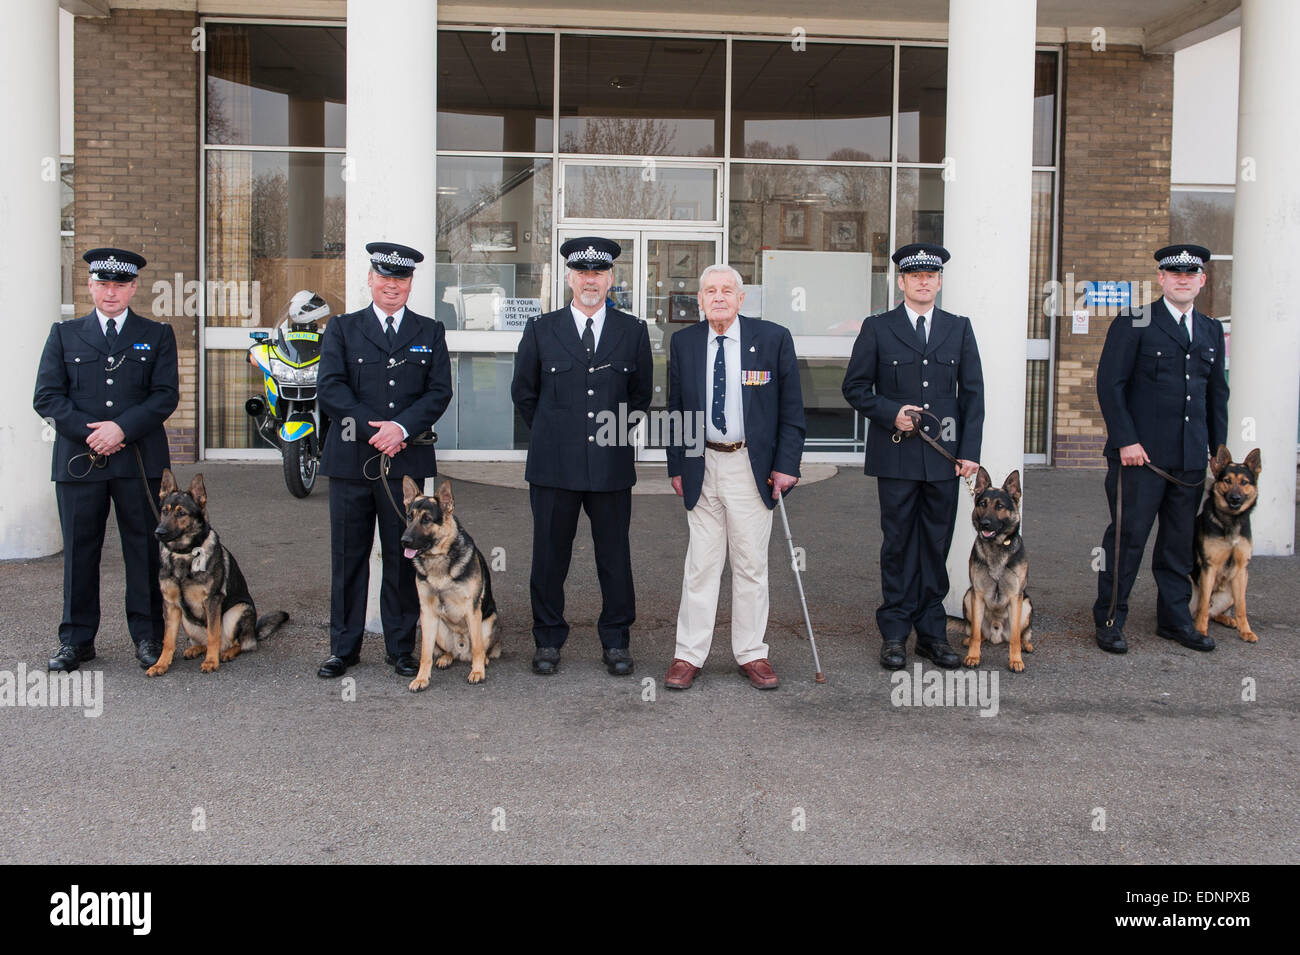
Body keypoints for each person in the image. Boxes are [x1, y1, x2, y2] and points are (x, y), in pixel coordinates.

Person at [510, 236, 653, 676]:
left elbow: (640, 396)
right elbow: (524, 392)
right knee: (550, 557)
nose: (590, 280)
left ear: (611, 278)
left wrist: (608, 435)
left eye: (599, 272)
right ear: (569, 277)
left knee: (614, 557)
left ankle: (616, 641)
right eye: (582, 272)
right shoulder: (541, 329)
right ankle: (548, 640)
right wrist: (559, 435)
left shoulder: (632, 331)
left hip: (610, 465)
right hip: (554, 467)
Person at [34, 248, 179, 672]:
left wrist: (121, 429)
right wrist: (92, 433)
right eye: (102, 284)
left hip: (138, 461)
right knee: (81, 552)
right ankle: (76, 641)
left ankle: (148, 636)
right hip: (81, 461)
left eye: (119, 284)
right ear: (91, 286)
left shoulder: (156, 334)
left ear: (133, 288)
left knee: (145, 550)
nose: (110, 292)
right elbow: (47, 397)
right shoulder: (65, 334)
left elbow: (165, 394)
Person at [841, 242, 984, 671]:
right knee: (900, 543)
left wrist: (970, 454)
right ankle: (895, 631)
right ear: (901, 282)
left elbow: (973, 396)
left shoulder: (958, 328)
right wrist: (891, 413)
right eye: (915, 276)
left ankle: (932, 633)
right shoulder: (878, 328)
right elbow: (856, 387)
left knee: (936, 544)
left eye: (931, 276)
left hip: (944, 458)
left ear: (939, 282)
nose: (924, 282)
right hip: (897, 455)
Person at [663, 265, 805, 691]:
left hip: (751, 468)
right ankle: (688, 655)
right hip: (702, 464)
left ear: (742, 299)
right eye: (710, 291)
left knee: (750, 565)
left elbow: (792, 412)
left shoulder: (773, 339)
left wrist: (786, 465)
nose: (719, 297)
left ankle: (752, 653)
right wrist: (676, 466)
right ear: (701, 300)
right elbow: (675, 410)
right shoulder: (684, 343)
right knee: (701, 565)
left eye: (727, 290)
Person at [316, 241, 452, 679]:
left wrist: (401, 429)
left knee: (403, 557)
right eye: (384, 278)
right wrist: (377, 429)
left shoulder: (429, 331)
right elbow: (331, 386)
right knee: (348, 555)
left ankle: (401, 648)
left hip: (406, 461)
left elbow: (438, 391)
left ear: (410, 284)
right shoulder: (342, 328)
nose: (392, 286)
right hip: (353, 457)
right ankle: (344, 647)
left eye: (401, 279)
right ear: (370, 280)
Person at [1092, 243, 1228, 654]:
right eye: (1175, 274)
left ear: (1201, 281)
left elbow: (1216, 394)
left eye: (1191, 275)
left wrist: (1217, 453)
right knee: (1127, 541)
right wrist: (1126, 440)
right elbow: (1110, 385)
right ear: (1162, 279)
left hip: (1187, 459)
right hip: (1140, 459)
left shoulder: (1209, 329)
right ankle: (1111, 620)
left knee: (1177, 545)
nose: (1183, 280)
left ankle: (1174, 620)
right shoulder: (1135, 321)